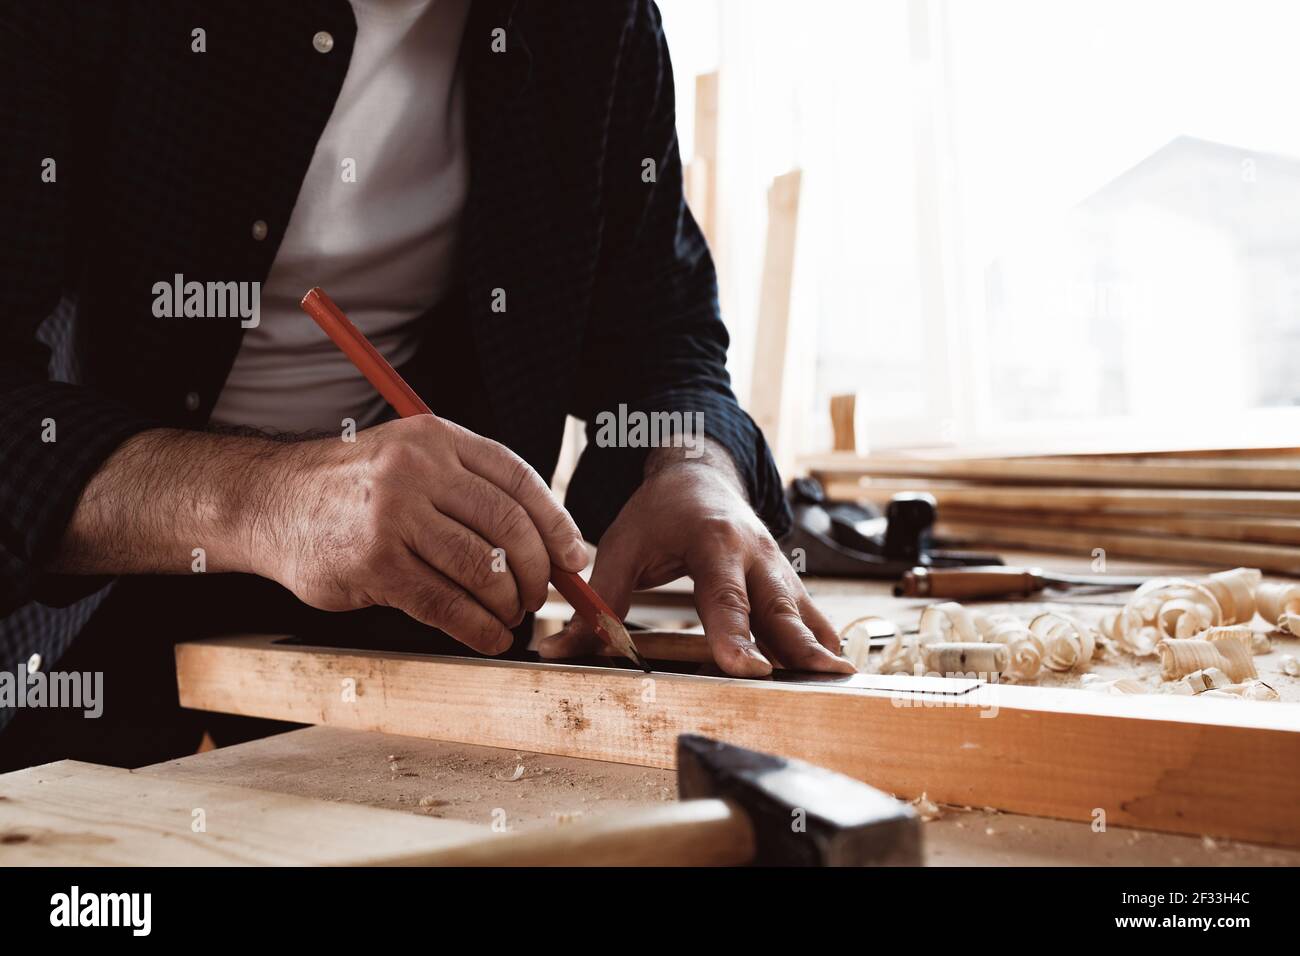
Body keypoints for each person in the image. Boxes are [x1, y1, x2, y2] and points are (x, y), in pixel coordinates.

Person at [0, 0, 851, 768]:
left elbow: (662, 337)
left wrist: (694, 466)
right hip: (64, 627)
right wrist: (273, 500)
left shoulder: (599, 23)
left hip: (417, 625)